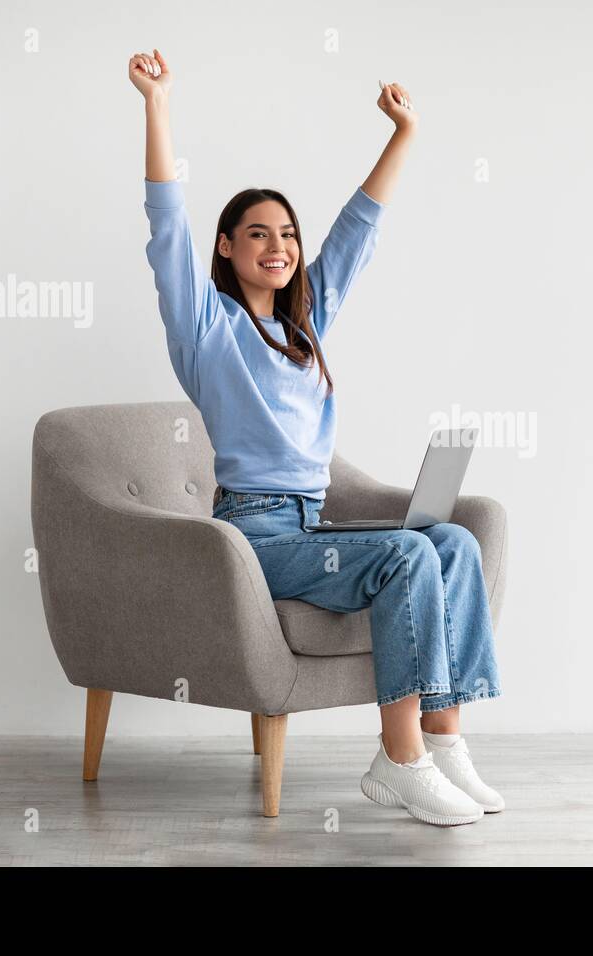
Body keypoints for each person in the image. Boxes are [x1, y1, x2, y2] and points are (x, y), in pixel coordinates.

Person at [128, 49, 503, 826]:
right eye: (258, 233)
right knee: (406, 553)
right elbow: (166, 225)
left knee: (456, 543)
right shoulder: (206, 330)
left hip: (312, 521)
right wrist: (156, 104)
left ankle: (444, 738)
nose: (279, 245)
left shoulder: (307, 327)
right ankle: (398, 761)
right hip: (255, 531)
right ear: (226, 247)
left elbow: (359, 231)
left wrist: (405, 133)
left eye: (288, 234)